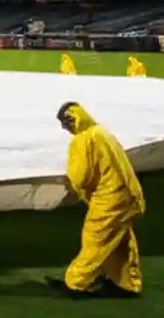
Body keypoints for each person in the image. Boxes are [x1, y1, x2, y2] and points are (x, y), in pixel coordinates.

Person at [46, 102, 145, 299]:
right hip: (129, 195)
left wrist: (70, 181)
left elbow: (81, 176)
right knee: (120, 240)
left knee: (95, 238)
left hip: (110, 199)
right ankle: (127, 282)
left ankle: (76, 283)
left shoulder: (83, 140)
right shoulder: (102, 133)